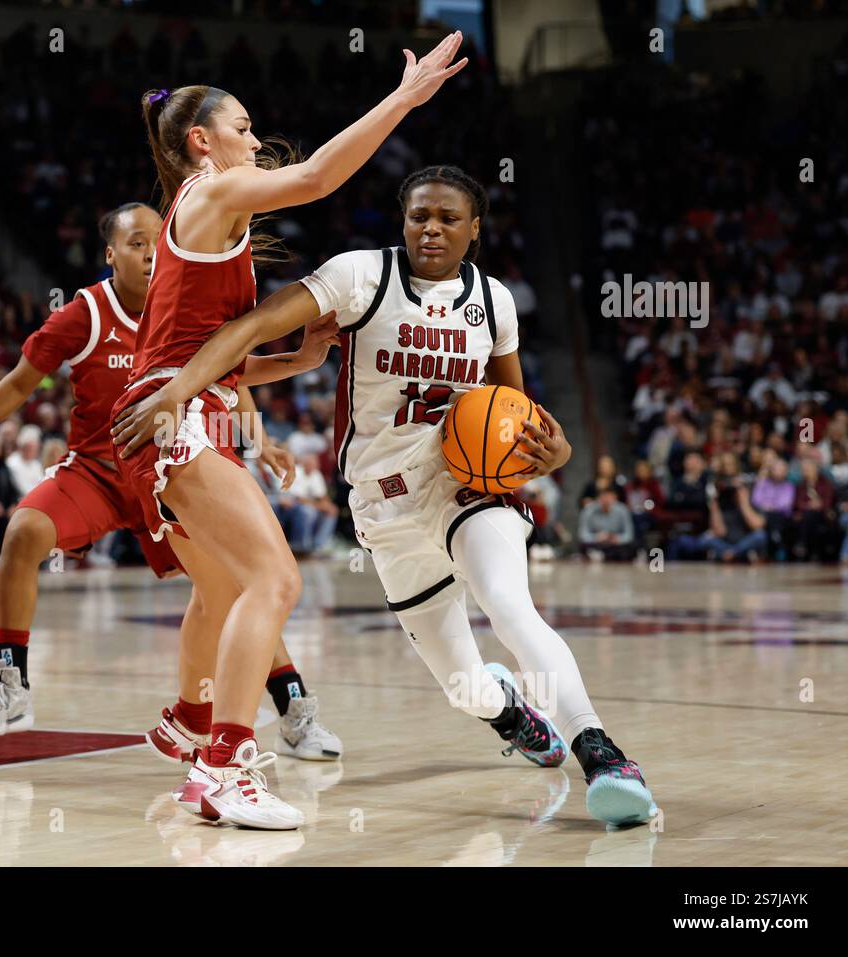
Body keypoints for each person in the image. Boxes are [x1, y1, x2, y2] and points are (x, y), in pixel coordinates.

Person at [115, 164, 657, 827]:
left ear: (475, 229)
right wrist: (177, 388)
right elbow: (249, 327)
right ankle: (509, 712)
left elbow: (518, 408)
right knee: (465, 690)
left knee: (511, 607)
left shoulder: (496, 301)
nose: (431, 227)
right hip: (385, 505)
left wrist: (560, 450)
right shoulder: (359, 276)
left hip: (466, 484)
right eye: (419, 216)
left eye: (448, 218)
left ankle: (602, 753)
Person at [108, 38, 471, 830]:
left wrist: (294, 358)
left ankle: (189, 722)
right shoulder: (214, 190)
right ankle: (226, 765)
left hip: (166, 410)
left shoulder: (204, 209)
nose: (253, 134)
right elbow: (314, 177)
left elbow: (205, 351)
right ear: (201, 140)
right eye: (241, 124)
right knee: (277, 582)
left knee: (226, 588)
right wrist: (404, 99)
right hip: (174, 415)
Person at [0, 203, 341, 764]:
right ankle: (11, 684)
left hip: (170, 475)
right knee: (23, 532)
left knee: (236, 586)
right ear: (110, 255)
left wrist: (263, 432)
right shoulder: (86, 313)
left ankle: (290, 709)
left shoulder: (181, 308)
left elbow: (230, 370)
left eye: (157, 242)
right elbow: (21, 381)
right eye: (136, 243)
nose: (150, 253)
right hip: (98, 474)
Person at [578, 486, 636, 561]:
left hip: (615, 544)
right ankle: (601, 555)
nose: (606, 500)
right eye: (603, 496)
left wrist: (618, 539)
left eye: (609, 497)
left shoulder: (623, 510)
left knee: (629, 547)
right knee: (584, 546)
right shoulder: (588, 510)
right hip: (597, 543)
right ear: (598, 498)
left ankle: (604, 556)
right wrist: (597, 537)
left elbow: (629, 534)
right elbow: (582, 534)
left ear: (615, 498)